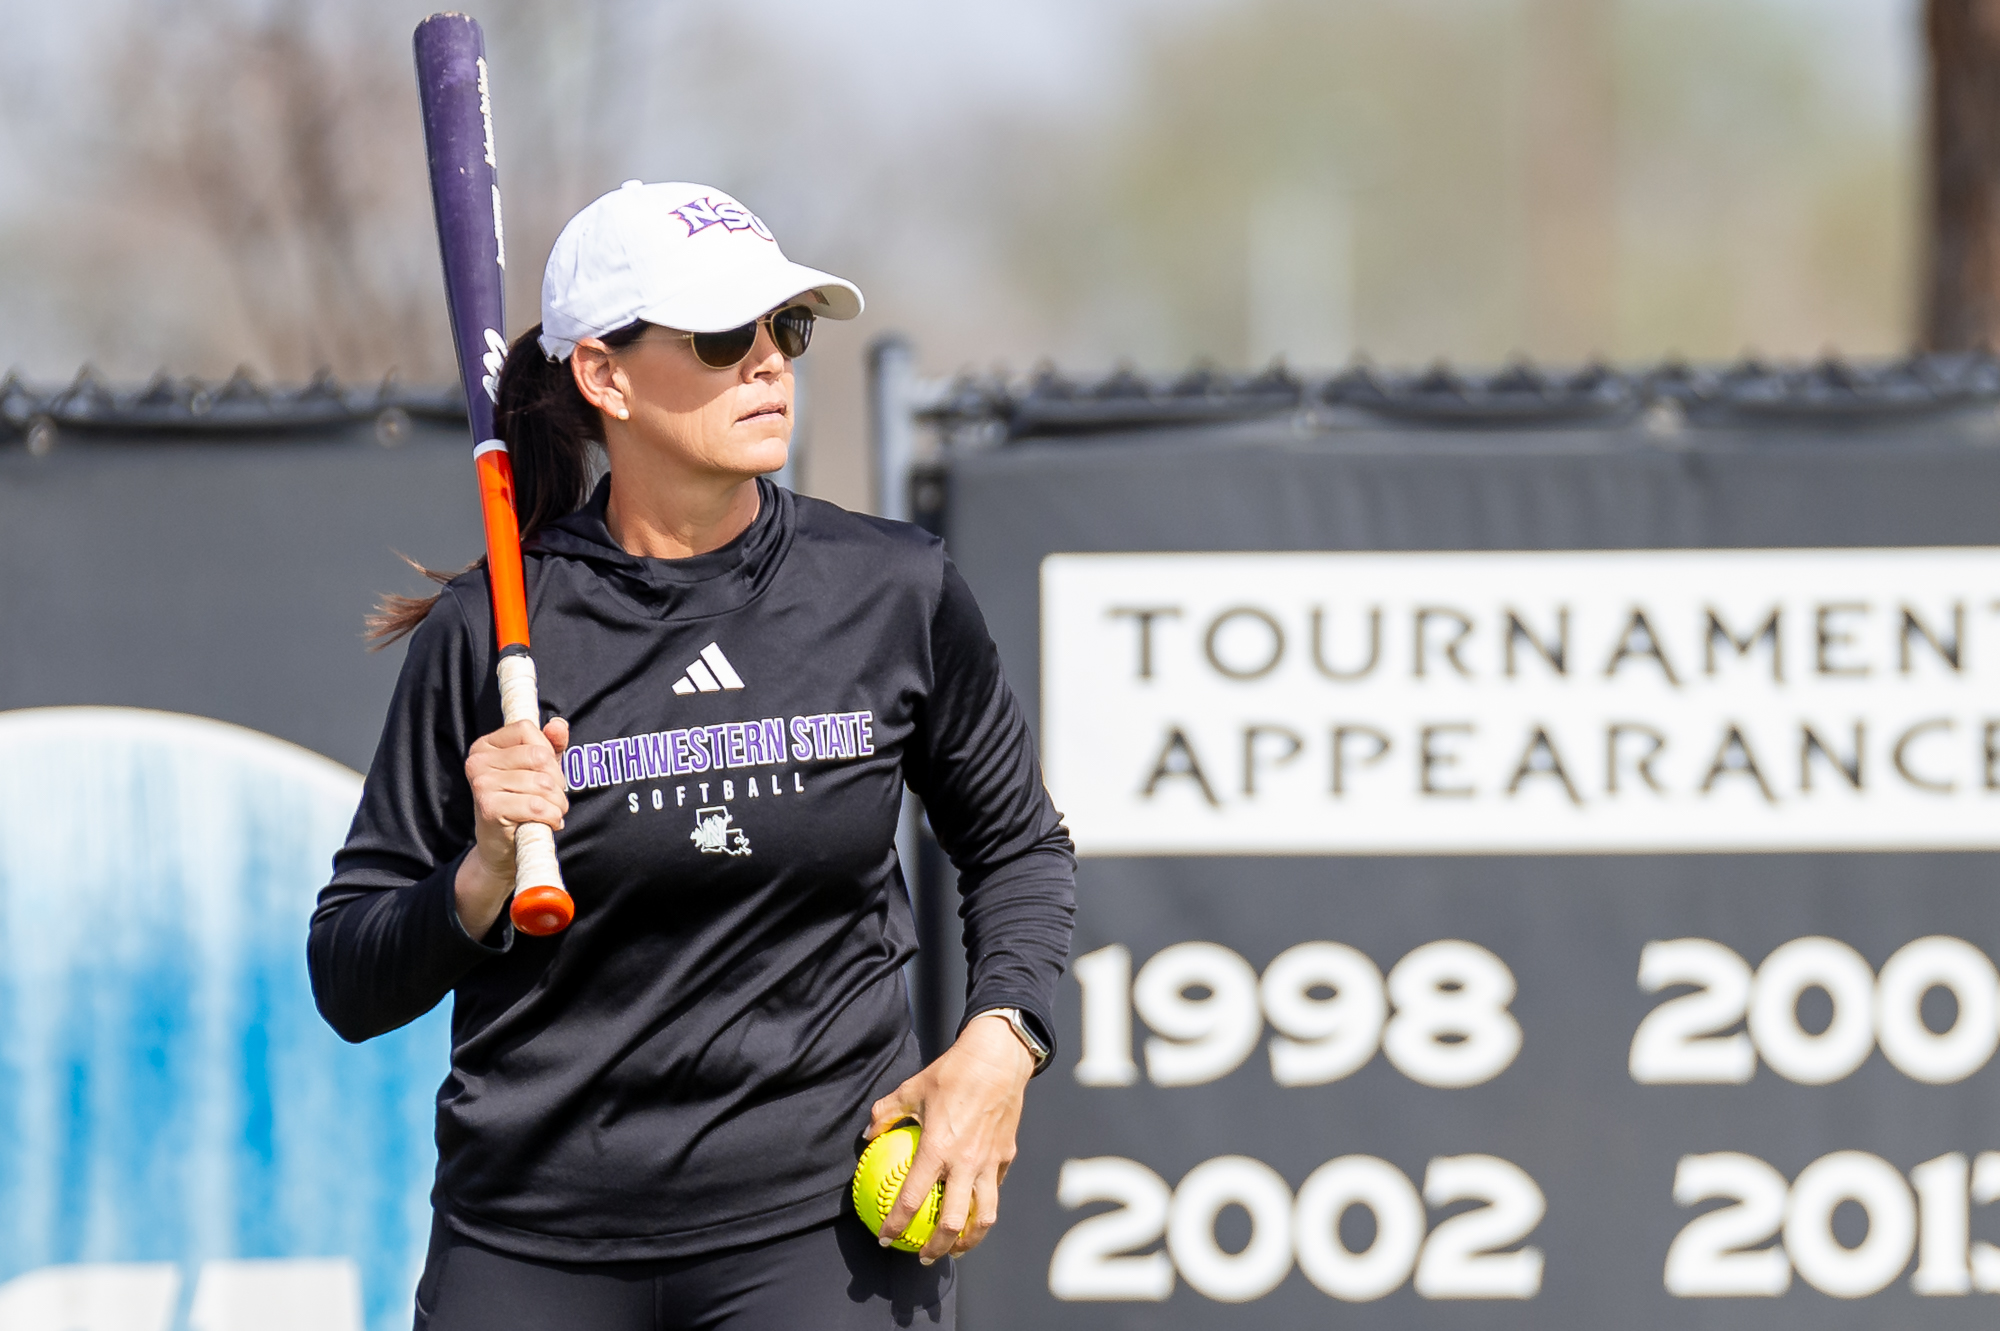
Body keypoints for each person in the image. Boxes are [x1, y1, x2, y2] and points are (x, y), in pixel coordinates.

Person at [308, 180, 1075, 1330]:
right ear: (603, 376)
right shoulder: (493, 632)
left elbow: (1018, 845)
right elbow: (347, 975)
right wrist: (476, 880)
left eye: (788, 329)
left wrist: (1001, 1039)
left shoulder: (892, 590)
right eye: (723, 336)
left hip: (816, 1239)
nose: (768, 362)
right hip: (529, 1240)